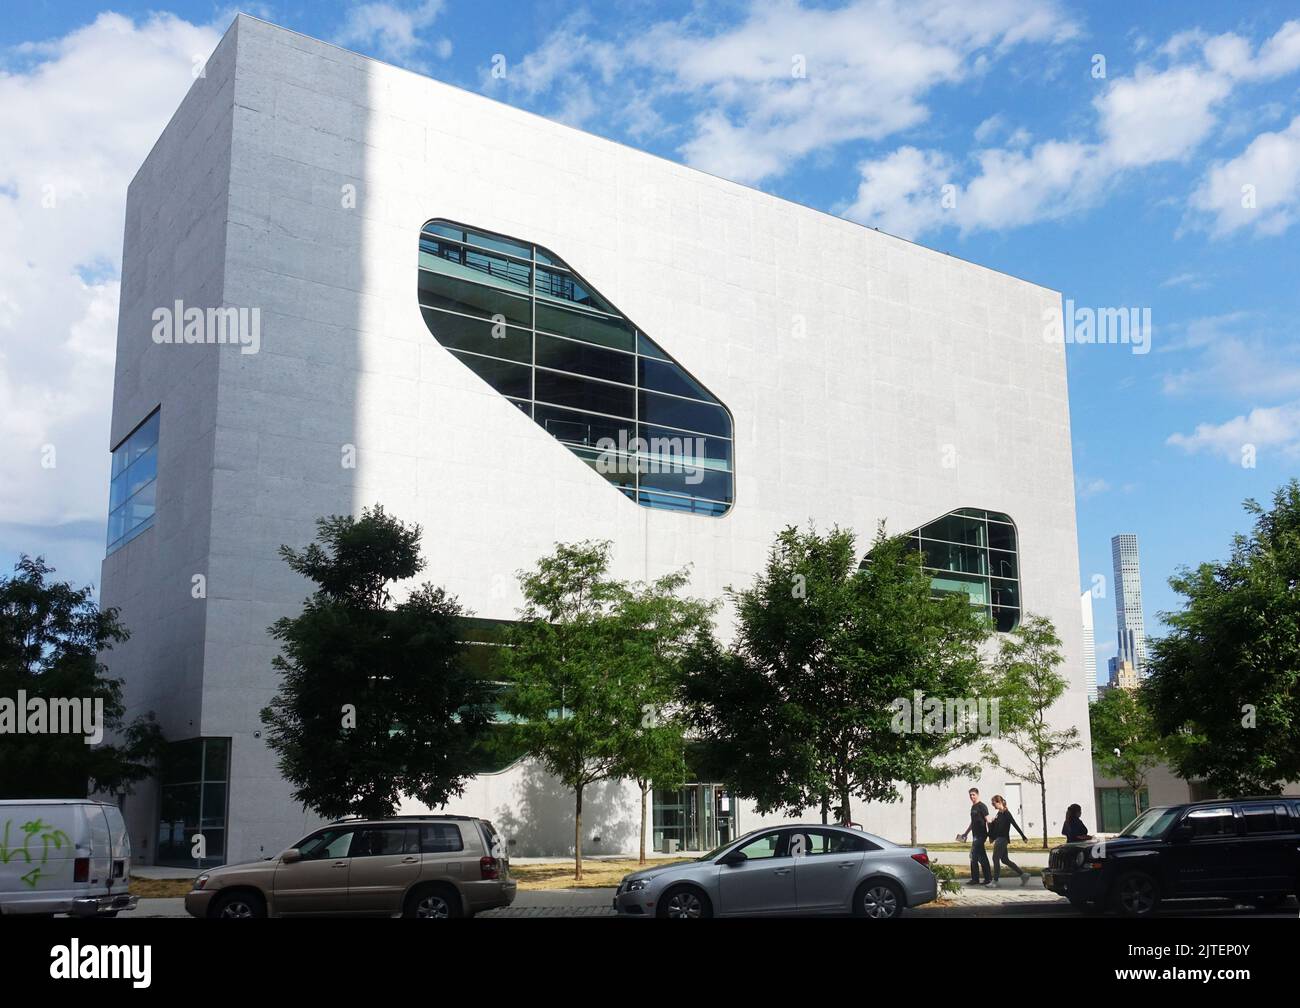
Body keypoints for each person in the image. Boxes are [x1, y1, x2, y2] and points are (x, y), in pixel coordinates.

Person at [987, 794, 1030, 886]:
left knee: (995, 858)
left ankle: (995, 881)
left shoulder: (1006, 813)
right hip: (999, 838)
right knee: (1005, 860)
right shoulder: (999, 813)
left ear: (999, 802)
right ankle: (1023, 875)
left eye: (994, 803)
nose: (993, 805)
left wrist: (1023, 836)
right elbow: (997, 827)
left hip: (1003, 839)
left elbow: (1014, 824)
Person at [956, 787, 992, 885]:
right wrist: (966, 833)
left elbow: (988, 820)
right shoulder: (973, 807)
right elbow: (973, 823)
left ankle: (980, 879)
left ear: (977, 794)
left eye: (973, 795)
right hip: (975, 835)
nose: (972, 797)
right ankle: (983, 878)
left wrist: (991, 834)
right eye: (970, 795)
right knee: (979, 856)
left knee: (974, 855)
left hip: (981, 835)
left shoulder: (982, 806)